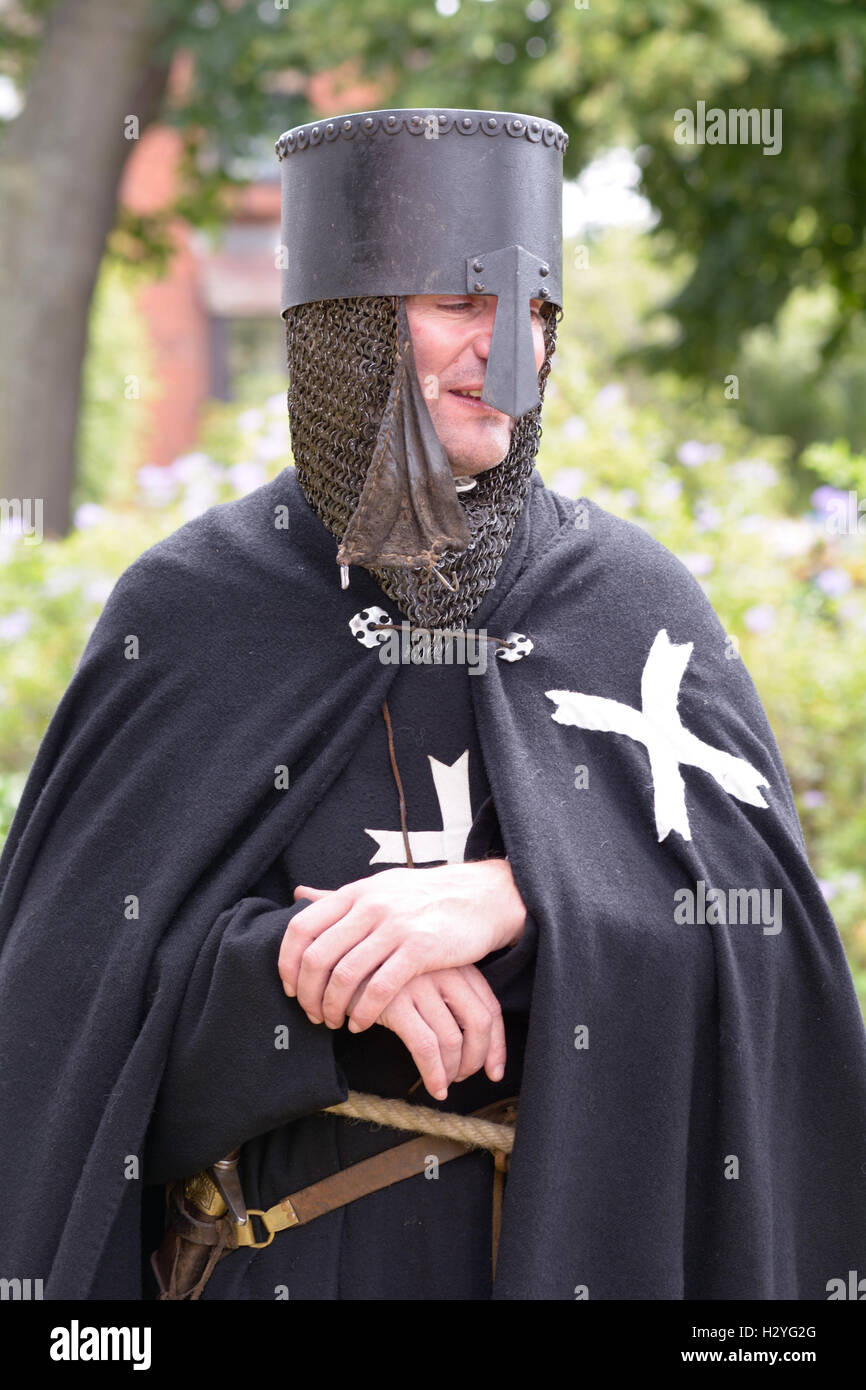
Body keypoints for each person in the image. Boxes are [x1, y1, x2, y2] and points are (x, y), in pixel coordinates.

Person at [1, 106, 865, 1304]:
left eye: (535, 315)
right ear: (345, 332)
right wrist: (295, 965)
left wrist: (524, 897)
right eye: (463, 306)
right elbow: (55, 1002)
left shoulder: (625, 603)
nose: (509, 354)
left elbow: (777, 970)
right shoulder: (196, 609)